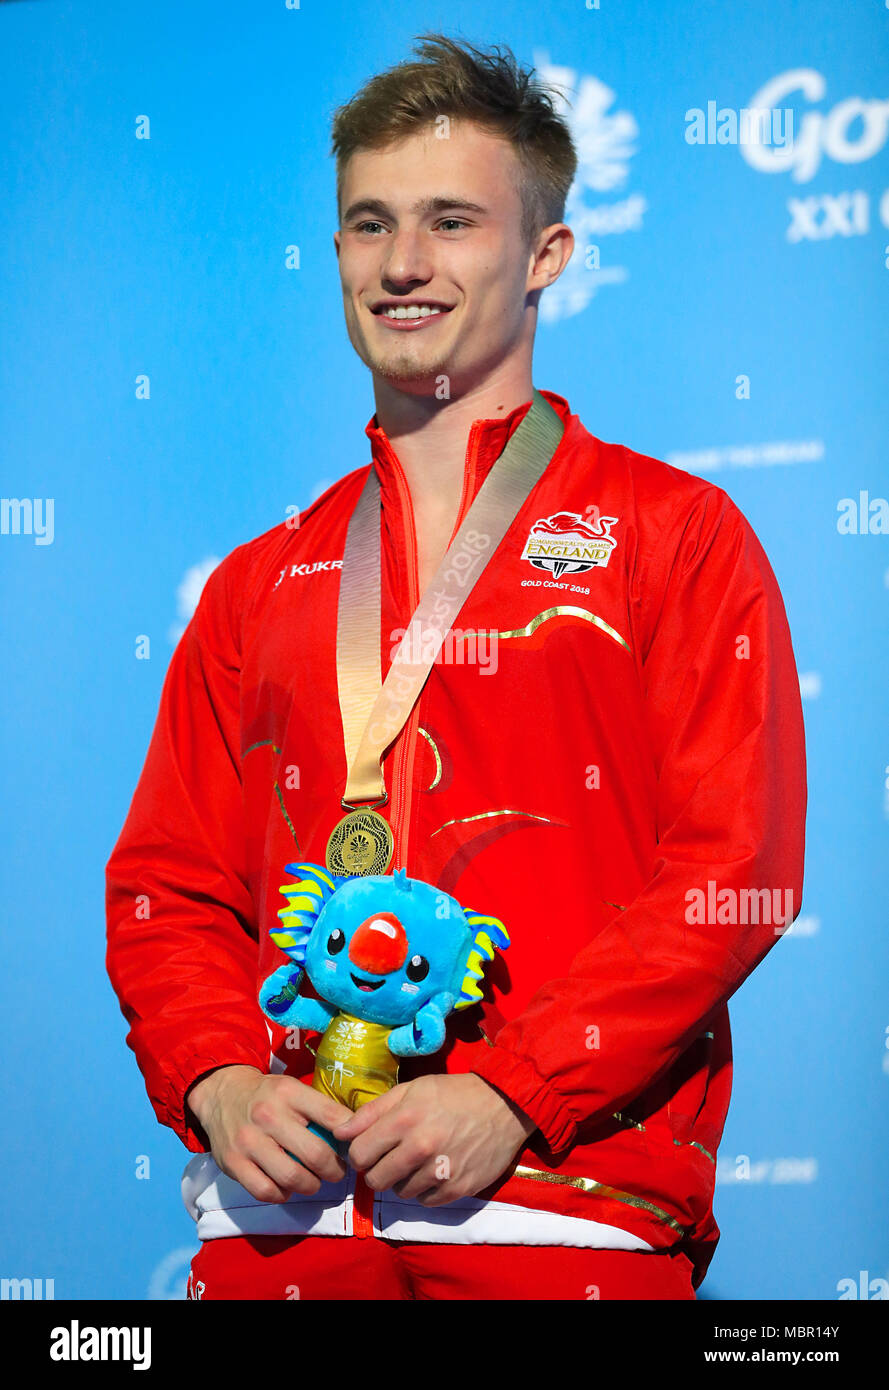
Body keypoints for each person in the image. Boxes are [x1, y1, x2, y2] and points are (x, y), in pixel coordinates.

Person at [105, 34, 807, 1302]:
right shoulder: (261, 581)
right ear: (335, 254)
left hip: (561, 1205)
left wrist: (514, 1088)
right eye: (369, 226)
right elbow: (167, 883)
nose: (404, 265)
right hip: (285, 1218)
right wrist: (215, 1079)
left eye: (450, 221)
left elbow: (729, 872)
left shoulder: (674, 535)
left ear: (544, 255)